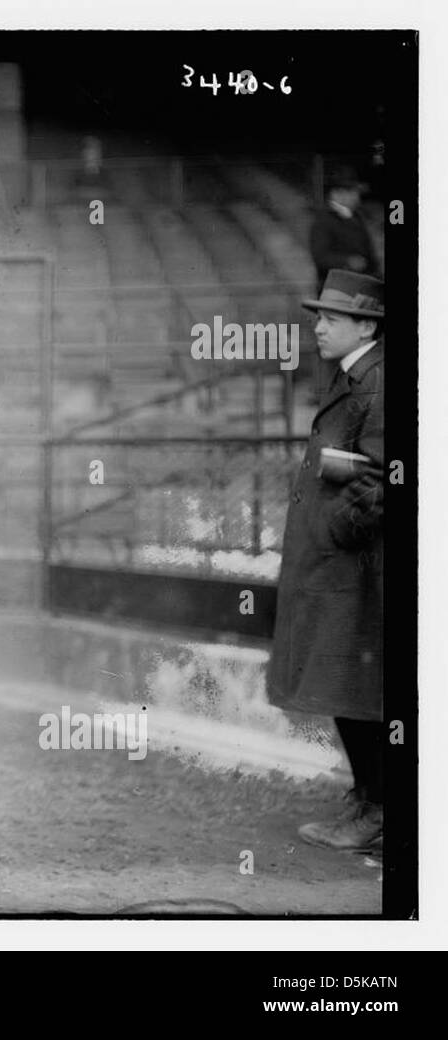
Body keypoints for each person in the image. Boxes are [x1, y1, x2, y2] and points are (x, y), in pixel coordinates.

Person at [267, 270, 385, 853]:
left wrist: (337, 529)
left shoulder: (378, 380)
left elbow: (386, 477)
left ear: (366, 324)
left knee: (357, 689)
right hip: (337, 567)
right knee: (344, 687)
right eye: (318, 316)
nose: (318, 327)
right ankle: (370, 799)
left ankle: (377, 809)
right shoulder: (355, 375)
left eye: (331, 318)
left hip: (355, 568)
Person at [308, 168, 378, 295]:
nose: (357, 196)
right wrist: (348, 261)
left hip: (360, 290)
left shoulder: (357, 217)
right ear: (336, 194)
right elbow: (320, 257)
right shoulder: (323, 220)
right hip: (335, 291)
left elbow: (369, 254)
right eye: (352, 192)